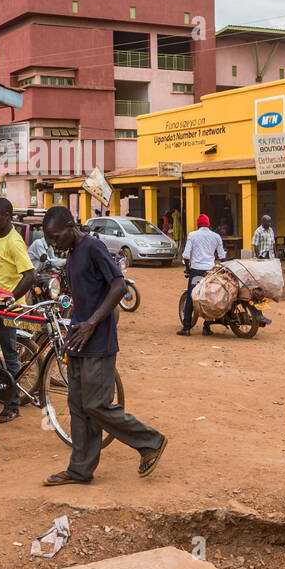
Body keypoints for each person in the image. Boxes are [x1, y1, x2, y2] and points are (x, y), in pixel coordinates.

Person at [39, 206, 167, 486]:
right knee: (78, 406)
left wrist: (92, 323)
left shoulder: (93, 247)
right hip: (77, 342)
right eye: (48, 238)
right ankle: (80, 469)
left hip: (98, 340)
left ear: (71, 226)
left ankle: (150, 441)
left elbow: (119, 286)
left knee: (96, 404)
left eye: (55, 235)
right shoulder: (72, 255)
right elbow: (81, 298)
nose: (52, 243)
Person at [0, 197, 36, 422]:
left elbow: (30, 276)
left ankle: (12, 406)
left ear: (7, 217)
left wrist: (9, 298)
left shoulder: (14, 242)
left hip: (7, 309)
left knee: (9, 356)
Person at [178, 214, 225, 336]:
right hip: (210, 272)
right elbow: (222, 256)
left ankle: (187, 328)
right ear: (208, 224)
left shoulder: (192, 235)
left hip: (196, 271)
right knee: (209, 298)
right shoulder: (216, 237)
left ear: (198, 224)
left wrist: (188, 269)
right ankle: (206, 327)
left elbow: (186, 256)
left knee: (191, 297)